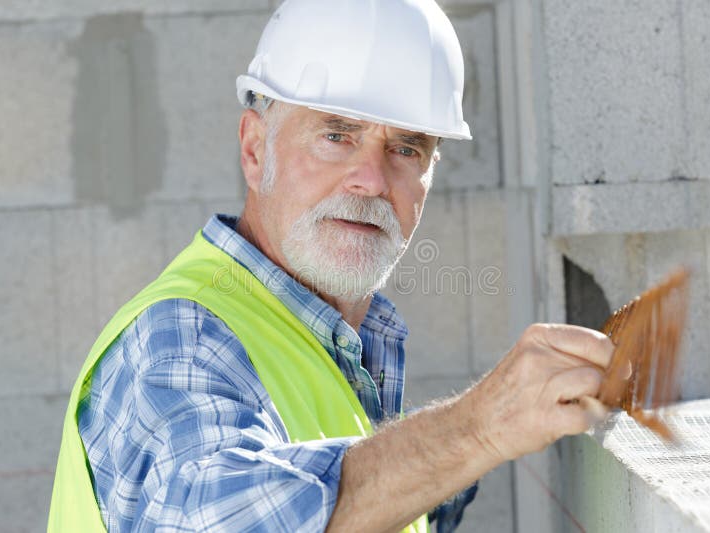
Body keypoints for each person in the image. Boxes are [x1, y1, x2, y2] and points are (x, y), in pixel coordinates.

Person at [48, 0, 615, 531]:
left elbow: (352, 490)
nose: (371, 180)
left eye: (406, 149)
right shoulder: (183, 335)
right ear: (254, 149)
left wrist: (514, 416)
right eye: (337, 135)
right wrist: (477, 427)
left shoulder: (333, 339)